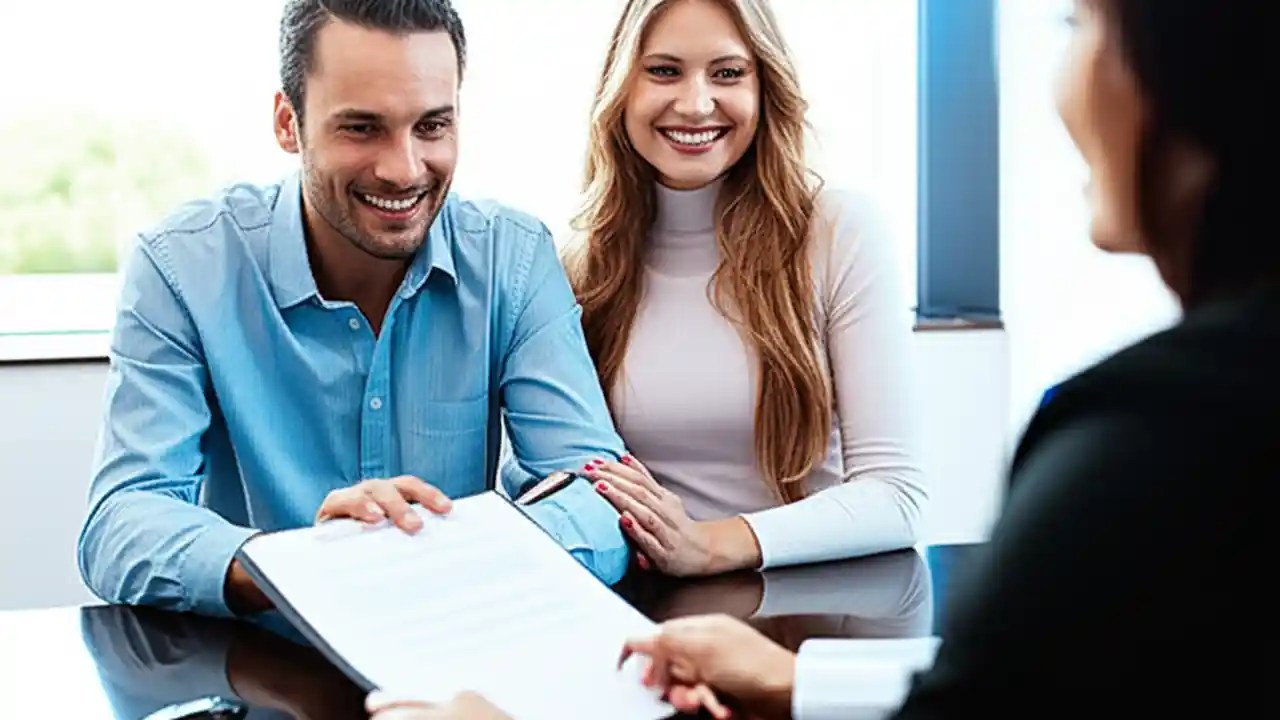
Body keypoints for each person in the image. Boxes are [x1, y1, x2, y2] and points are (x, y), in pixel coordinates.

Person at [611, 0, 1275, 716]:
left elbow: (985, 684)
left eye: (1077, 26)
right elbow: (1013, 683)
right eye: (665, 71)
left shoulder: (1139, 437)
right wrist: (794, 681)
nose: (1059, 88)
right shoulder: (584, 266)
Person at [77, 0, 631, 619]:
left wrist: (451, 552)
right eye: (362, 128)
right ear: (289, 123)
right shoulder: (183, 266)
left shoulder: (513, 256)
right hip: (269, 674)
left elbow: (601, 498)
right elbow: (122, 522)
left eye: (431, 126)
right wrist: (298, 568)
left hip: (465, 661)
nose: (404, 169)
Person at [504, 0, 928, 579]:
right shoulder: (577, 266)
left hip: (804, 607)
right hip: (640, 615)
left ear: (764, 86)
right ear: (621, 87)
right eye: (664, 70)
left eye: (727, 73)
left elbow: (897, 498)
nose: (696, 103)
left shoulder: (838, 232)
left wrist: (707, 545)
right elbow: (542, 477)